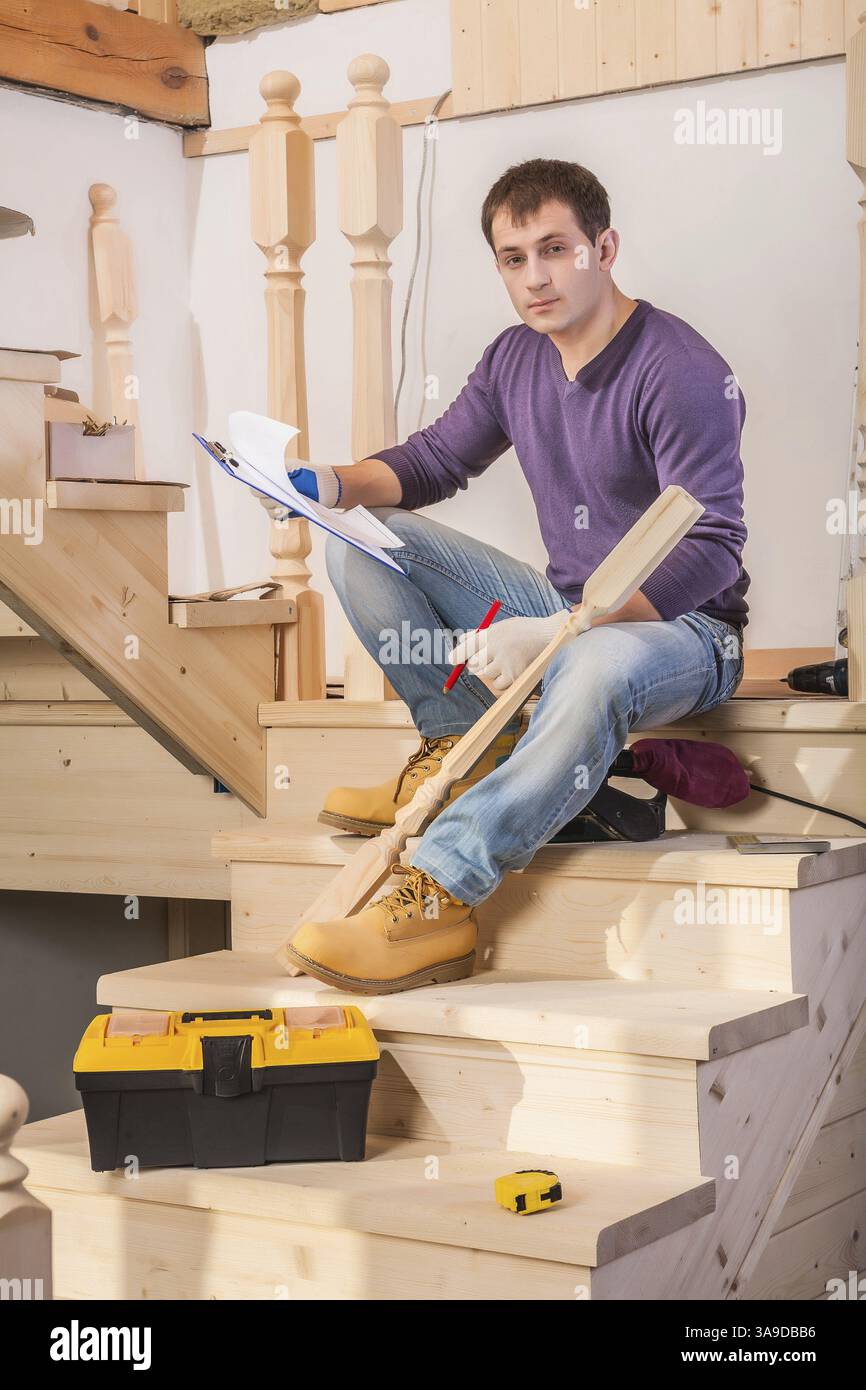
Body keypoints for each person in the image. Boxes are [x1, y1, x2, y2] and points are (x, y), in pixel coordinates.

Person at [272, 157, 748, 994]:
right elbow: (433, 460)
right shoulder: (516, 359)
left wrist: (578, 629)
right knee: (358, 539)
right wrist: (327, 487)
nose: (537, 277)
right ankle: (464, 742)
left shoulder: (680, 370)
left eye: (556, 249)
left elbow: (711, 545)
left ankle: (442, 896)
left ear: (604, 246)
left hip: (687, 631)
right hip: (565, 610)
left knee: (597, 663)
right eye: (514, 258)